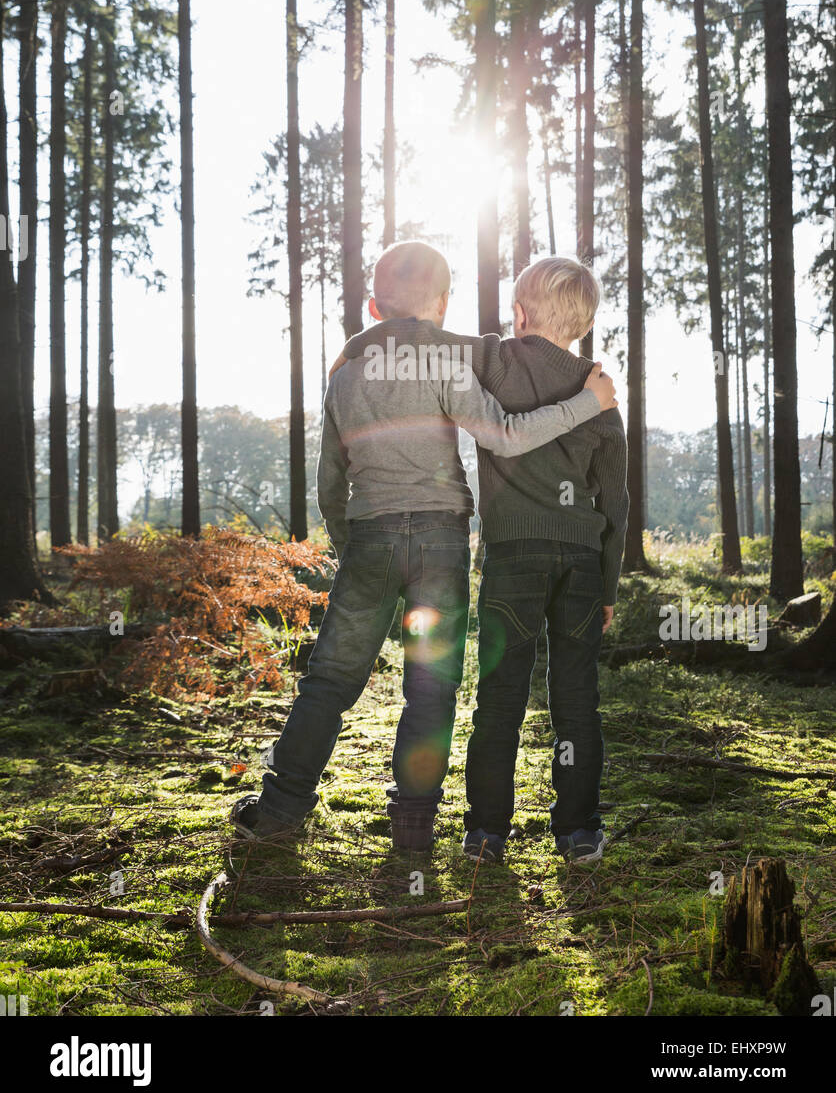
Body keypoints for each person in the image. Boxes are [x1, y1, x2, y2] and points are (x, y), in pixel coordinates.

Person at [231, 242, 616, 853]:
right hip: (441, 540)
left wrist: (349, 538)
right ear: (442, 305)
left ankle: (280, 809)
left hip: (369, 536)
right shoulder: (445, 364)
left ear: (371, 304)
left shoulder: (346, 375)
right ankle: (414, 828)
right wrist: (585, 403)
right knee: (432, 686)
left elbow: (330, 480)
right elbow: (507, 436)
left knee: (329, 679)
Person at [338, 255, 628, 866]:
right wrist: (608, 588)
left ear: (520, 314)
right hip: (580, 558)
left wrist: (359, 346)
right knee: (577, 698)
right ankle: (578, 833)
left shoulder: (494, 357)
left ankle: (486, 832)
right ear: (582, 323)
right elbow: (617, 502)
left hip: (512, 557)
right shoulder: (599, 392)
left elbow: (420, 332)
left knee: (500, 695)